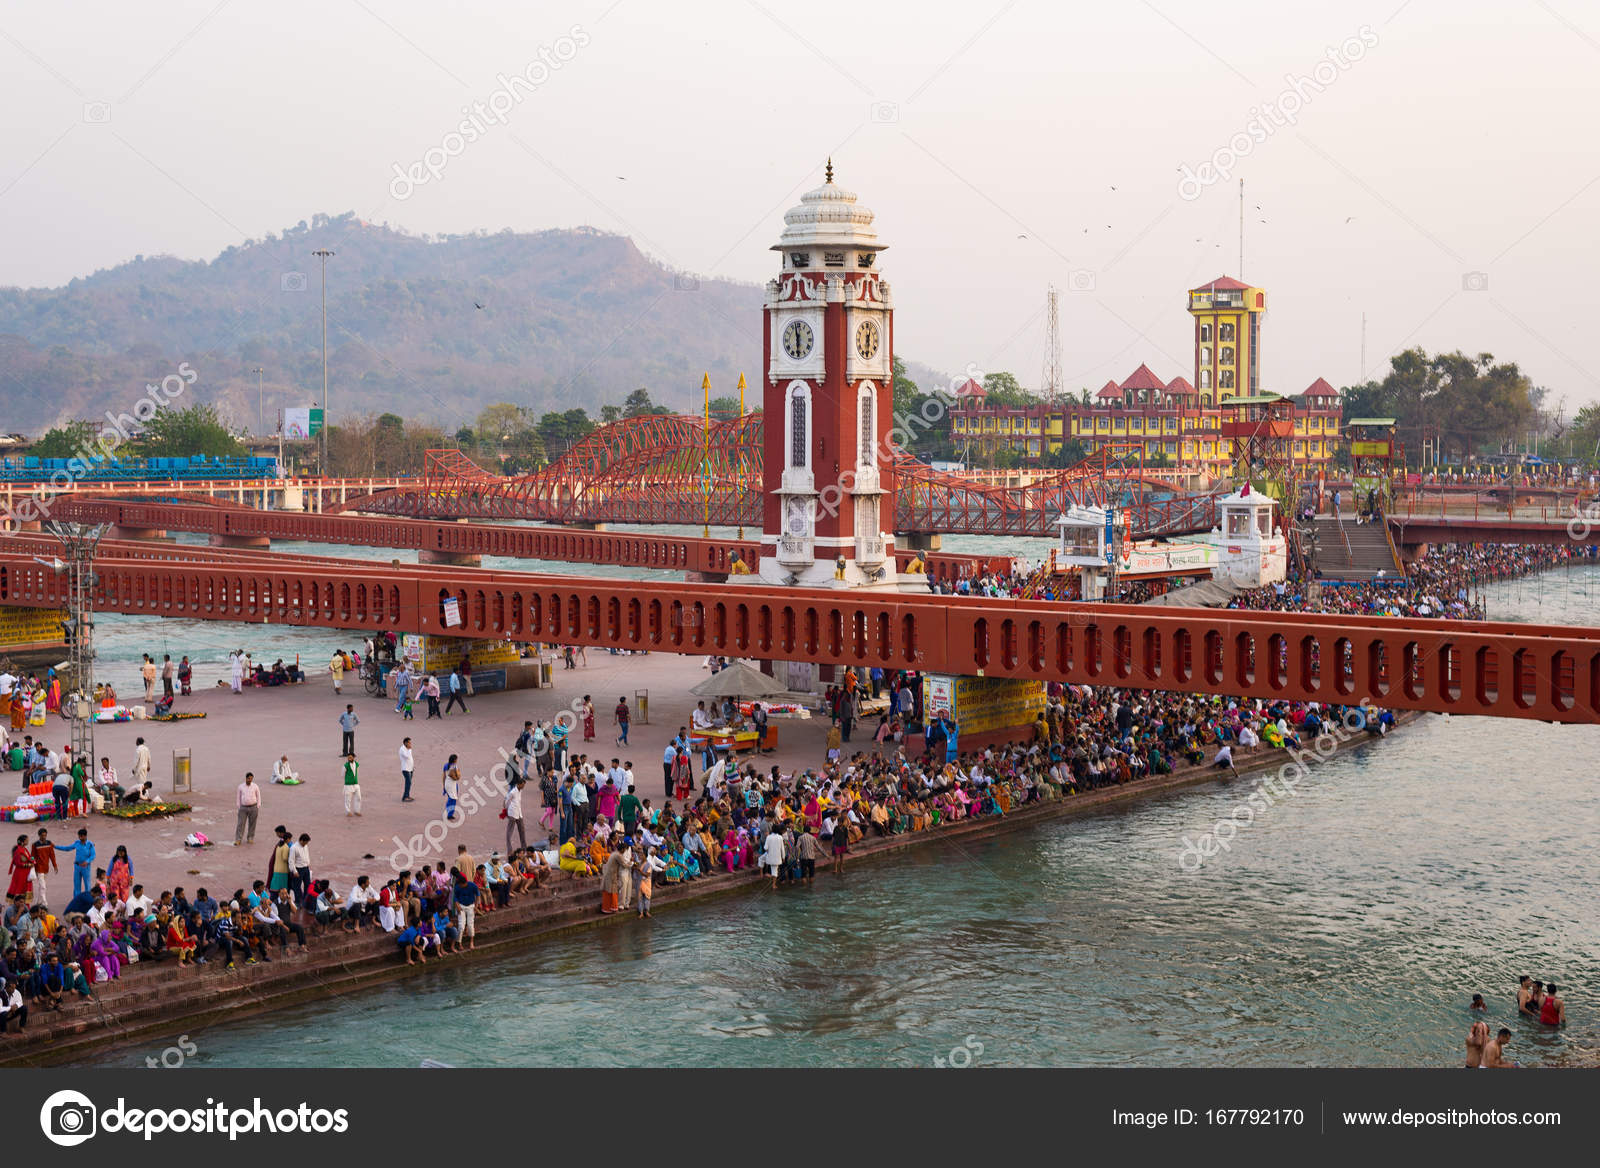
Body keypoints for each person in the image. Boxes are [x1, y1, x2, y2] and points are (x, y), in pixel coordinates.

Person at [30, 830, 56, 909]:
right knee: (43, 886)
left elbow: (52, 855)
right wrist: (32, 865)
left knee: (41, 886)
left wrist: (55, 865)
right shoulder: (35, 845)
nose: (44, 837)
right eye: (42, 835)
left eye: (45, 835)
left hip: (46, 868)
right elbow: (32, 856)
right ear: (39, 836)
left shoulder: (49, 843)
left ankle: (38, 901)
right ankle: (45, 903)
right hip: (39, 868)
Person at [235, 772, 260, 845]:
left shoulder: (255, 786)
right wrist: (239, 806)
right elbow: (238, 797)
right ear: (246, 778)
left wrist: (258, 806)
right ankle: (238, 839)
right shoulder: (241, 787)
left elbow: (258, 796)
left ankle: (250, 838)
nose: (250, 780)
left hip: (253, 807)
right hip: (243, 807)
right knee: (240, 824)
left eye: (251, 779)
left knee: (252, 823)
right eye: (249, 778)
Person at [504, 778, 527, 853]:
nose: (523, 787)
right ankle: (509, 849)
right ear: (518, 784)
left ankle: (524, 848)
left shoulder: (520, 791)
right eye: (522, 785)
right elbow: (506, 801)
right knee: (509, 832)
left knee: (522, 831)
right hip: (512, 814)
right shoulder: (513, 792)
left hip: (519, 814)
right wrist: (506, 811)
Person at [69, 828, 93, 898]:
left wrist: (87, 861)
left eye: (81, 836)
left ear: (85, 836)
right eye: (79, 836)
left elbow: (93, 855)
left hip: (86, 867)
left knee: (87, 885)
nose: (80, 838)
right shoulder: (77, 843)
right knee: (77, 885)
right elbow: (67, 848)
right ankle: (77, 900)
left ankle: (88, 900)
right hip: (77, 866)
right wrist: (55, 847)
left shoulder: (90, 844)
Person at [442, 755, 461, 822]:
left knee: (452, 798)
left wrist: (444, 786)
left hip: (449, 784)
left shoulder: (446, 765)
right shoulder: (454, 766)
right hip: (452, 784)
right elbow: (457, 776)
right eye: (456, 759)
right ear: (454, 760)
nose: (457, 760)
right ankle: (449, 813)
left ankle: (450, 813)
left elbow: (444, 776)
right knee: (452, 799)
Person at [399, 737, 415, 802]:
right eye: (409, 743)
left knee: (409, 783)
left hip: (410, 768)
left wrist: (412, 767)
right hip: (405, 769)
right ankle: (405, 797)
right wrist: (409, 749)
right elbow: (407, 756)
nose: (410, 744)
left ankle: (407, 796)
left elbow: (410, 758)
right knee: (408, 783)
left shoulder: (408, 749)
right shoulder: (402, 749)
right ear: (405, 743)